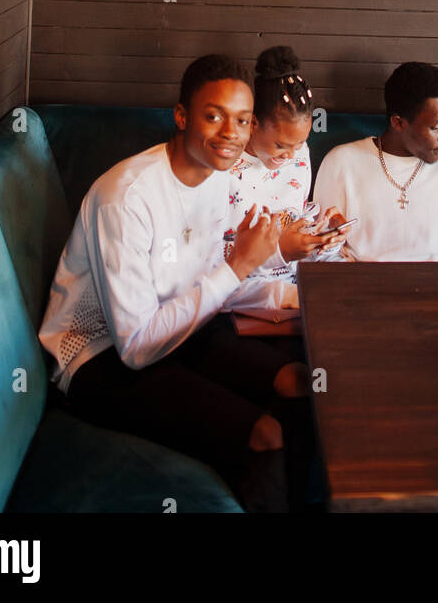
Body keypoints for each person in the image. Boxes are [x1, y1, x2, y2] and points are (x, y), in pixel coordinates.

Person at [38, 54, 311, 511]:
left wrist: (294, 296)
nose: (230, 133)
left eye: (242, 121)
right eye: (214, 116)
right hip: (100, 355)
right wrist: (239, 266)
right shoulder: (125, 199)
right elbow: (137, 346)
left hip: (181, 324)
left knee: (299, 382)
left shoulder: (216, 179)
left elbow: (211, 281)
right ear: (181, 116)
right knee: (267, 435)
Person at [313, 62, 438, 261]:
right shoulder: (342, 161)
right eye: (436, 127)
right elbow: (321, 251)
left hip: (437, 286)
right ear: (398, 123)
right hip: (361, 286)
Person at [226, 45, 343, 278]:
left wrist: (323, 237)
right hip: (239, 288)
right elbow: (216, 264)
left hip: (293, 281)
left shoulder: (299, 156)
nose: (290, 155)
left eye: (299, 144)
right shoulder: (223, 167)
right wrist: (281, 252)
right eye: (280, 145)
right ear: (252, 123)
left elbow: (295, 225)